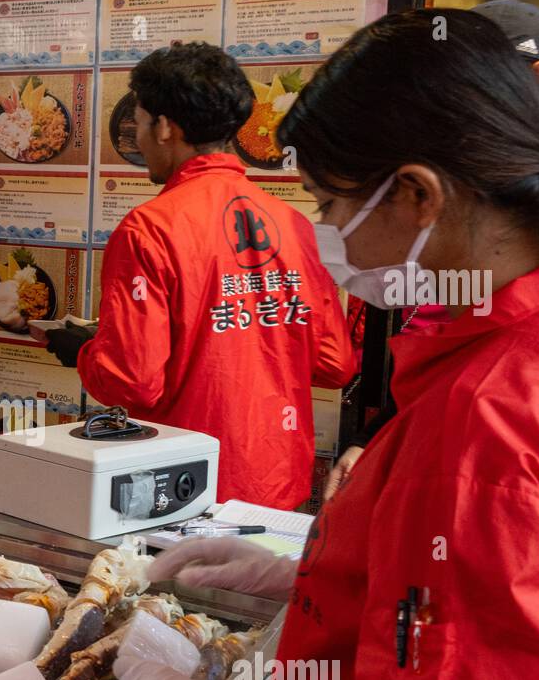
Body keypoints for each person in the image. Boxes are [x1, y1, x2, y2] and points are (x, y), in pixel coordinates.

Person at [118, 9, 539, 680]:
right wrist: (330, 575)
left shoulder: (492, 423)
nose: (326, 232)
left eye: (331, 202)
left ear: (417, 194)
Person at [324, 0, 539, 498]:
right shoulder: (465, 176)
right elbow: (440, 325)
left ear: (536, 81)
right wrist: (379, 436)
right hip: (452, 422)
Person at [44, 44, 354, 509]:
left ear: (166, 126)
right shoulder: (295, 225)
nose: (139, 139)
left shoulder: (149, 228)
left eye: (140, 123)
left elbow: (133, 381)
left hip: (183, 487)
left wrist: (83, 351)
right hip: (276, 484)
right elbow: (334, 364)